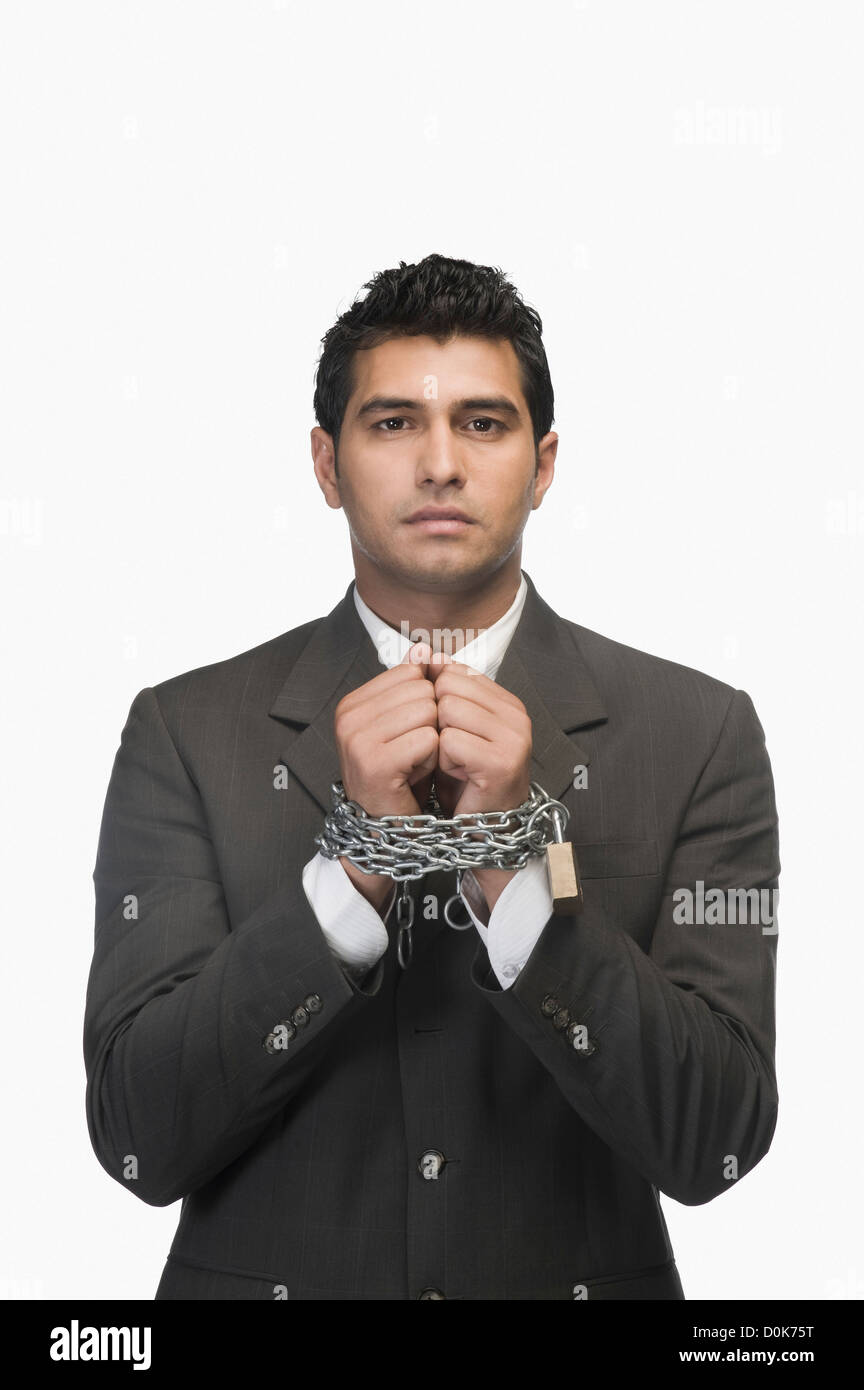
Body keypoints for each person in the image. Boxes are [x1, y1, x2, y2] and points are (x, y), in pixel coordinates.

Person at [83, 253, 780, 1301]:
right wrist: (355, 867)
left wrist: (517, 873)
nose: (442, 463)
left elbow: (714, 1140)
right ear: (326, 464)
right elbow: (139, 1137)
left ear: (545, 464)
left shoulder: (699, 733)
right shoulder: (184, 731)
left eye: (485, 424)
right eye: (395, 422)